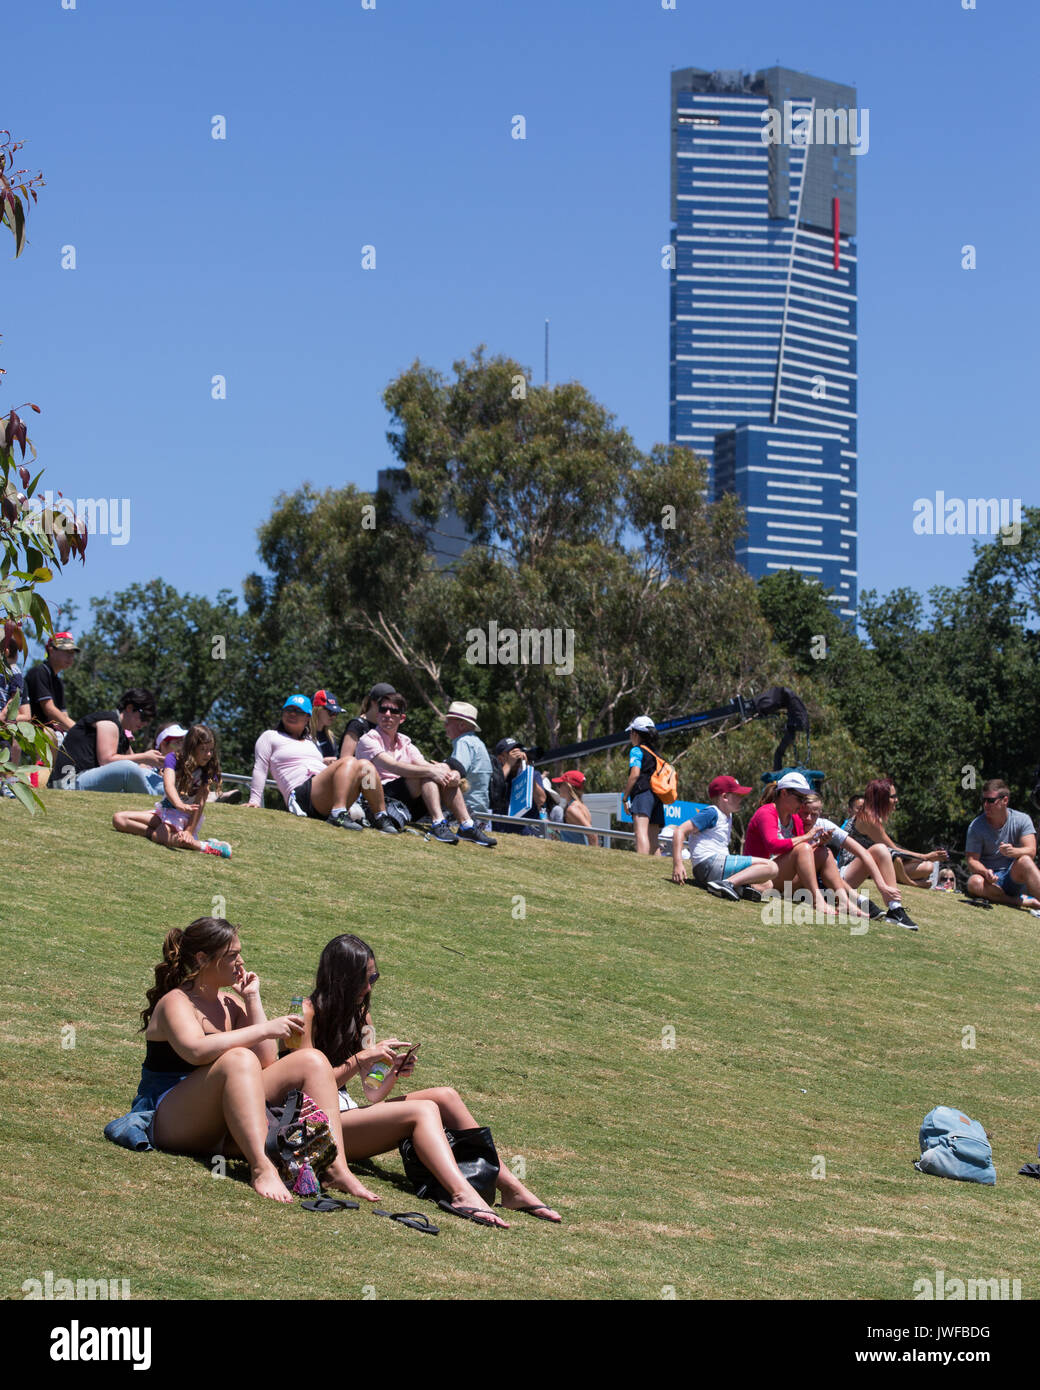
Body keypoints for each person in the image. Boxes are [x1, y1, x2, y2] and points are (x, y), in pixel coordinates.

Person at [302, 934, 561, 1226]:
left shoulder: (363, 1019)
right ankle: (462, 1193)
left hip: (348, 1115)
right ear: (340, 978)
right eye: (362, 979)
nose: (368, 987)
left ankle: (512, 1188)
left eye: (373, 977)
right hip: (317, 1123)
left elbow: (372, 1093)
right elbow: (306, 1085)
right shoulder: (304, 1012)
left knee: (445, 1096)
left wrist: (391, 1072)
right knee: (423, 1110)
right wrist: (360, 1059)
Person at [121, 916, 371, 1203]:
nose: (240, 962)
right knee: (238, 1058)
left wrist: (253, 999)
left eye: (239, 953)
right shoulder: (176, 1002)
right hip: (169, 1119)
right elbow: (195, 1050)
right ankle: (261, 1167)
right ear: (203, 959)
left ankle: (335, 1167)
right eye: (231, 956)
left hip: (215, 1122)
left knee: (311, 1059)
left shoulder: (230, 1003)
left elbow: (266, 1060)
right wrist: (263, 1029)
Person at [355, 693, 494, 845]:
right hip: (378, 798)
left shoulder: (406, 742)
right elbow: (394, 766)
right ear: (378, 713)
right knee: (428, 774)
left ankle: (465, 825)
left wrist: (451, 773)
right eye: (383, 709)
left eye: (394, 711)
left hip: (407, 800)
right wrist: (438, 771)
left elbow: (426, 765)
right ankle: (443, 823)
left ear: (401, 718)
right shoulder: (368, 739)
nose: (387, 714)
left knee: (433, 772)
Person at [246, 694, 397, 833]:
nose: (292, 714)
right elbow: (260, 767)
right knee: (349, 761)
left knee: (366, 766)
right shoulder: (270, 736)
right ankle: (338, 813)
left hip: (322, 792)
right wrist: (255, 800)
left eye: (298, 711)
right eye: (288, 710)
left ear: (307, 717)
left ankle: (380, 816)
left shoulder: (311, 742)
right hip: (301, 795)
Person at [800, 792, 917, 928]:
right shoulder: (793, 824)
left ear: (820, 813)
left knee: (881, 849)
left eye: (814, 814)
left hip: (836, 878)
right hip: (812, 881)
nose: (808, 818)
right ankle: (859, 900)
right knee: (822, 852)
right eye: (805, 813)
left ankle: (895, 908)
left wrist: (882, 886)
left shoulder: (823, 824)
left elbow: (863, 852)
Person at [113, 724, 232, 857]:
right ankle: (183, 840)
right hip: (166, 810)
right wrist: (179, 804)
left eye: (211, 749)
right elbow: (168, 785)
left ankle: (205, 846)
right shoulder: (173, 758)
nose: (208, 754)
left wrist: (188, 831)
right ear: (192, 748)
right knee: (119, 819)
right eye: (203, 749)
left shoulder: (208, 769)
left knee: (160, 836)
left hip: (185, 817)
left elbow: (200, 804)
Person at [743, 773, 837, 917]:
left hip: (780, 877)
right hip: (761, 875)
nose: (802, 804)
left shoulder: (795, 819)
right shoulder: (767, 812)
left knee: (823, 852)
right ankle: (818, 900)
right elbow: (773, 845)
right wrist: (806, 837)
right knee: (806, 848)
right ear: (784, 793)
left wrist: (818, 844)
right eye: (800, 798)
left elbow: (801, 855)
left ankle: (846, 900)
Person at [669, 775, 775, 900]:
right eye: (737, 795)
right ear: (724, 797)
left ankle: (736, 887)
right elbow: (679, 831)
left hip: (714, 867)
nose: (741, 799)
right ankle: (728, 884)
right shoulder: (712, 812)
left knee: (768, 885)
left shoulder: (728, 816)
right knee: (771, 867)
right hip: (709, 863)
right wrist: (678, 864)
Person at [50, 688, 165, 793]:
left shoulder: (122, 735)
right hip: (68, 781)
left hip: (85, 778)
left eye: (148, 721)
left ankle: (169, 795)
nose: (145, 723)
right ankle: (154, 801)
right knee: (127, 769)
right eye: (144, 717)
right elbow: (106, 761)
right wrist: (145, 757)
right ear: (129, 708)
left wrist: (160, 765)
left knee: (147, 774)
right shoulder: (108, 722)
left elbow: (140, 766)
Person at [846, 778, 949, 890]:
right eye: (892, 797)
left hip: (873, 860)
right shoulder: (869, 819)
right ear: (881, 799)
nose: (896, 800)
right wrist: (926, 856)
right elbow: (893, 849)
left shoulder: (872, 816)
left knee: (928, 867)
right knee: (897, 858)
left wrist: (926, 859)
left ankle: (904, 878)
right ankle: (912, 883)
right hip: (855, 864)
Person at [964, 779, 1040, 909]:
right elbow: (971, 860)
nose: (986, 805)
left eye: (991, 801)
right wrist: (985, 872)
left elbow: (1031, 851)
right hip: (989, 881)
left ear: (1005, 800)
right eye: (984, 800)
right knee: (973, 882)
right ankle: (1019, 901)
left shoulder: (1022, 819)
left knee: (1026, 861)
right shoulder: (976, 826)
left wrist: (1014, 852)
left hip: (1013, 876)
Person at [443, 701, 496, 837]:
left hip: (465, 812)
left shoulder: (463, 742)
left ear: (462, 725)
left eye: (448, 721)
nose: (445, 725)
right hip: (480, 812)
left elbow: (456, 773)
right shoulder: (477, 743)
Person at [623, 716, 665, 856]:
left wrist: (625, 797)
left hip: (643, 793)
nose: (630, 736)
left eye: (631, 733)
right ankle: (656, 869)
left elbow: (634, 774)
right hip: (657, 796)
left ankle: (640, 864)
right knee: (653, 838)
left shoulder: (636, 750)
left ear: (635, 734)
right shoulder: (656, 753)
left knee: (640, 830)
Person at [489, 738, 549, 835]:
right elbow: (493, 789)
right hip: (501, 832)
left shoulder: (533, 774)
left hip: (527, 833)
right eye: (512, 752)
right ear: (500, 758)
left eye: (518, 751)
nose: (517, 755)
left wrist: (527, 772)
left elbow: (541, 800)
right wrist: (508, 764)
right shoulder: (495, 774)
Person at [25, 631, 78, 732]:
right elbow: (49, 709)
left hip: (52, 732)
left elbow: (63, 715)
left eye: (73, 653)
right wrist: (78, 730)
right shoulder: (39, 672)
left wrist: (79, 730)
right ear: (51, 650)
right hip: (33, 732)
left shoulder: (58, 681)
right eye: (67, 651)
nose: (71, 657)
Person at [338, 684, 396, 761]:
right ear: (373, 702)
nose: (388, 711)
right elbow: (345, 759)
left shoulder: (384, 728)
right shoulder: (357, 725)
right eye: (384, 705)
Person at [549, 770, 598, 847]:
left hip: (575, 855)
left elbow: (592, 835)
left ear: (568, 786)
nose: (558, 788)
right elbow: (576, 836)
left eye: (560, 784)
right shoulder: (582, 806)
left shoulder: (572, 809)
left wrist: (593, 857)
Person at [311, 690, 344, 762]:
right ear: (317, 710)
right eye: (331, 712)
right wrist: (323, 761)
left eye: (336, 713)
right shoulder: (303, 735)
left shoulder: (330, 736)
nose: (333, 717)